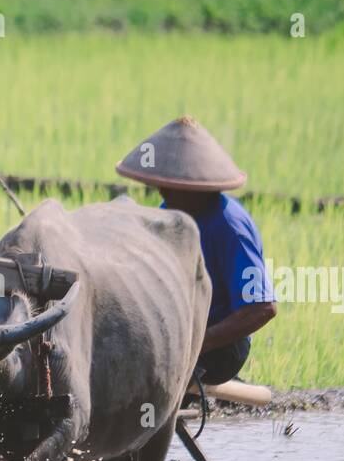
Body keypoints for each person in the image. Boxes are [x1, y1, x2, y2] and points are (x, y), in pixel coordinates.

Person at [115, 116, 276, 385]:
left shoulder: (230, 227)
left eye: (171, 184)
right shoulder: (170, 214)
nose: (162, 190)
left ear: (195, 186)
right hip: (175, 331)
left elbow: (261, 307)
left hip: (221, 347)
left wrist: (199, 343)